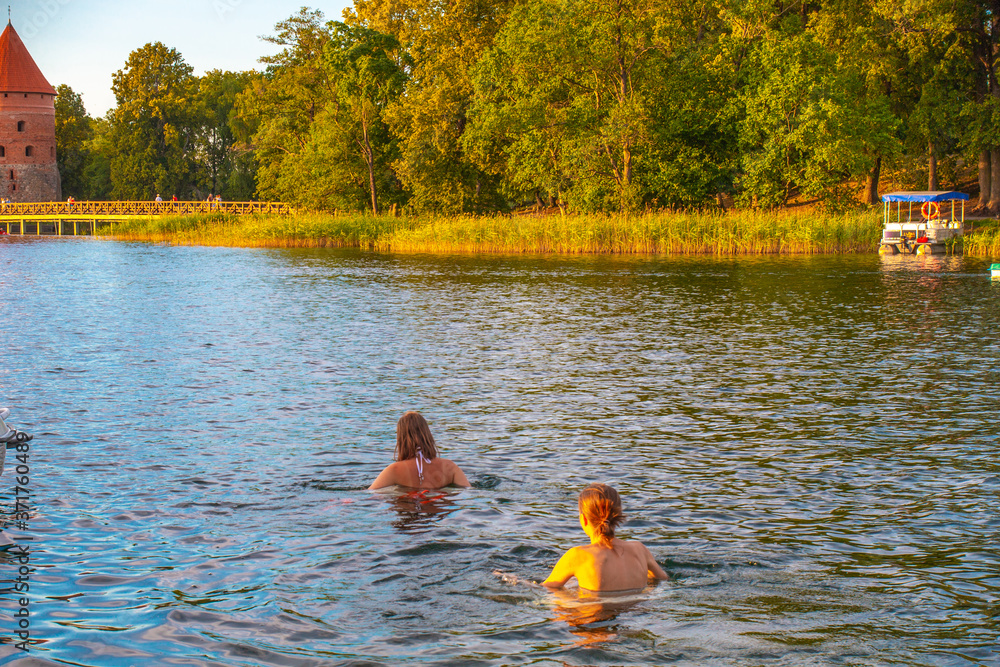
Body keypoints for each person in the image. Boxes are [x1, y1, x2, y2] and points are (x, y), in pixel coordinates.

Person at [542, 483, 668, 592]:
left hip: (593, 615)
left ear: (583, 519)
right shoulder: (640, 550)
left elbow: (547, 588)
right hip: (635, 611)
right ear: (618, 515)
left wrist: (522, 582)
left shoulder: (577, 556)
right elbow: (662, 579)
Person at [369, 411, 470, 490]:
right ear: (428, 434)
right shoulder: (450, 467)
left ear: (400, 438)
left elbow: (370, 495)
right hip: (439, 512)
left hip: (408, 510)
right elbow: (469, 491)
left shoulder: (394, 470)